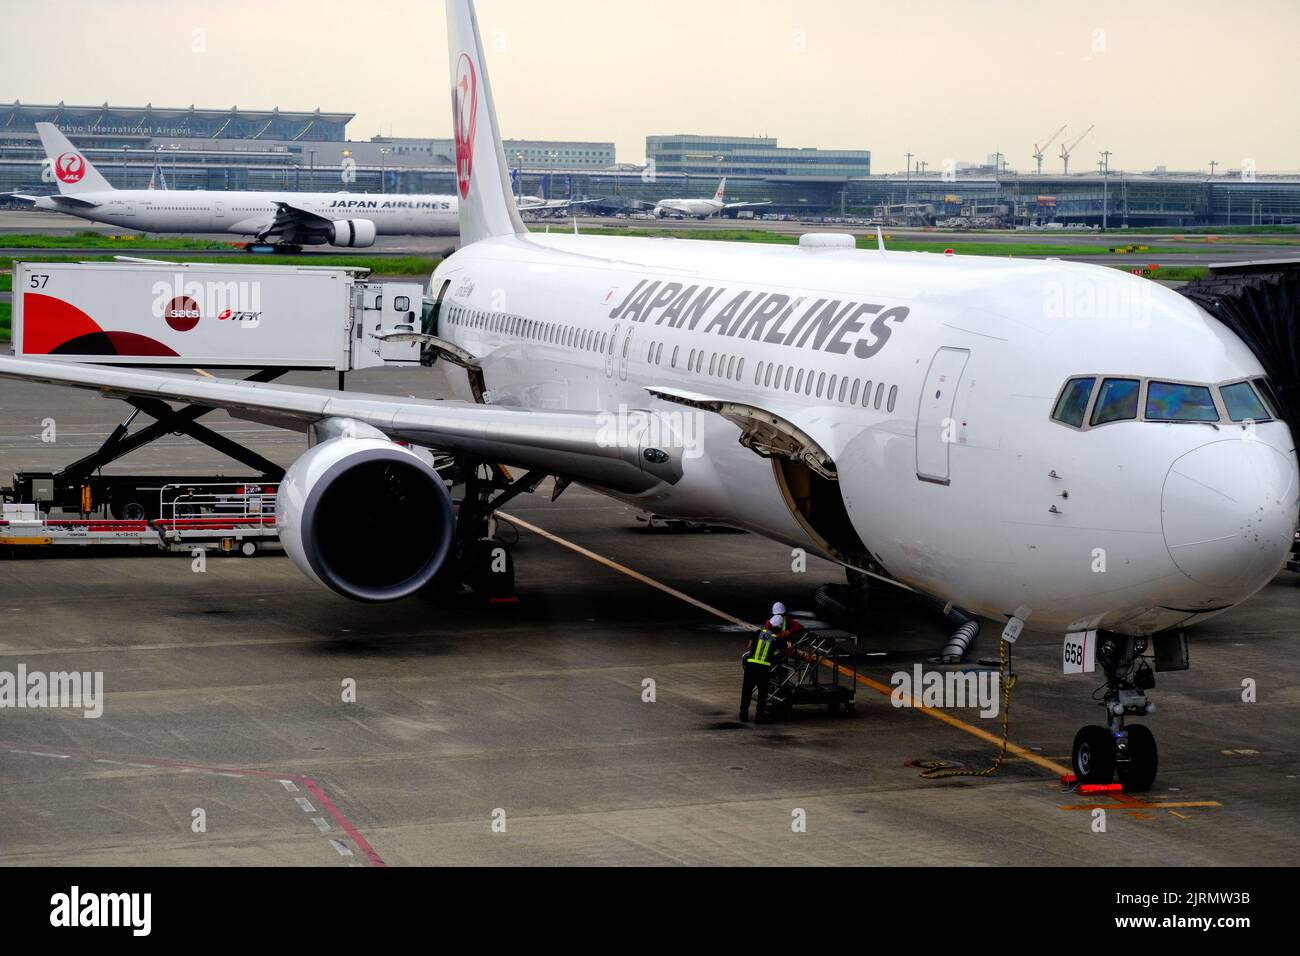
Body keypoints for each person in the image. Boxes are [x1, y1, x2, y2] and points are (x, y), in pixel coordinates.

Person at [739, 603, 801, 723]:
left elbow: (749, 646)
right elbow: (789, 653)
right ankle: (759, 716)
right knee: (763, 693)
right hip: (763, 669)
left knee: (746, 691)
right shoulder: (777, 640)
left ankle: (743, 714)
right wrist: (805, 658)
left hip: (750, 666)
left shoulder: (758, 633)